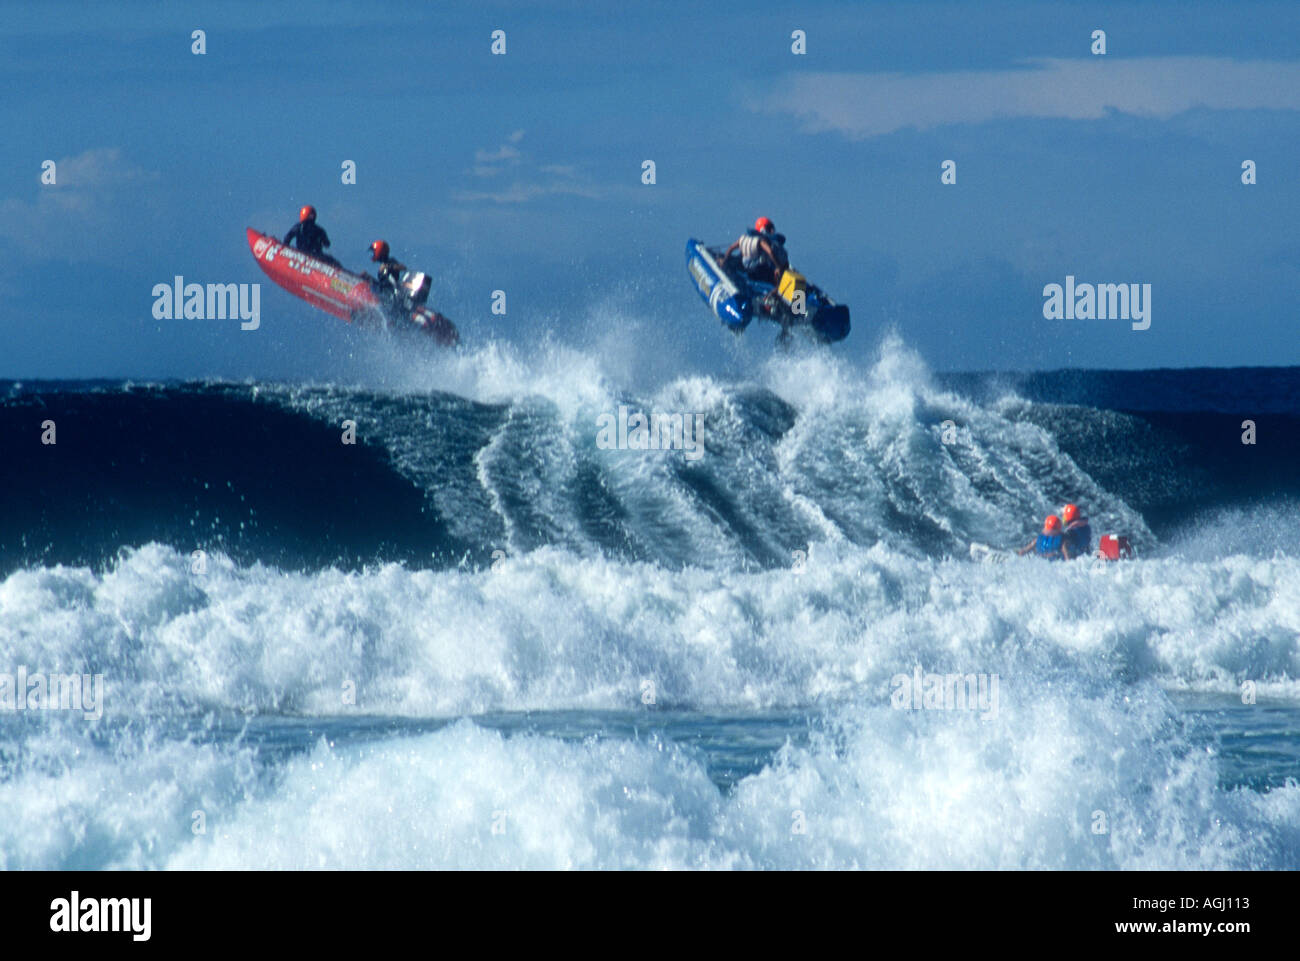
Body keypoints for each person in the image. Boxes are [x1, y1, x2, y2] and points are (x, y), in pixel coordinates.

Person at [719, 217, 789, 283]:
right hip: (755, 270)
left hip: (743, 265)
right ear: (763, 228)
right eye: (769, 228)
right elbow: (770, 252)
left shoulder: (745, 237)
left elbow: (731, 248)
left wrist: (725, 260)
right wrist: (778, 267)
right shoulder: (762, 241)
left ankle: (723, 266)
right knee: (773, 276)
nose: (772, 231)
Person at [368, 240, 409, 310]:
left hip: (390, 294)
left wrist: (388, 266)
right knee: (366, 277)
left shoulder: (390, 261)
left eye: (374, 252)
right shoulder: (382, 265)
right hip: (383, 291)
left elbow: (403, 267)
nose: (373, 254)